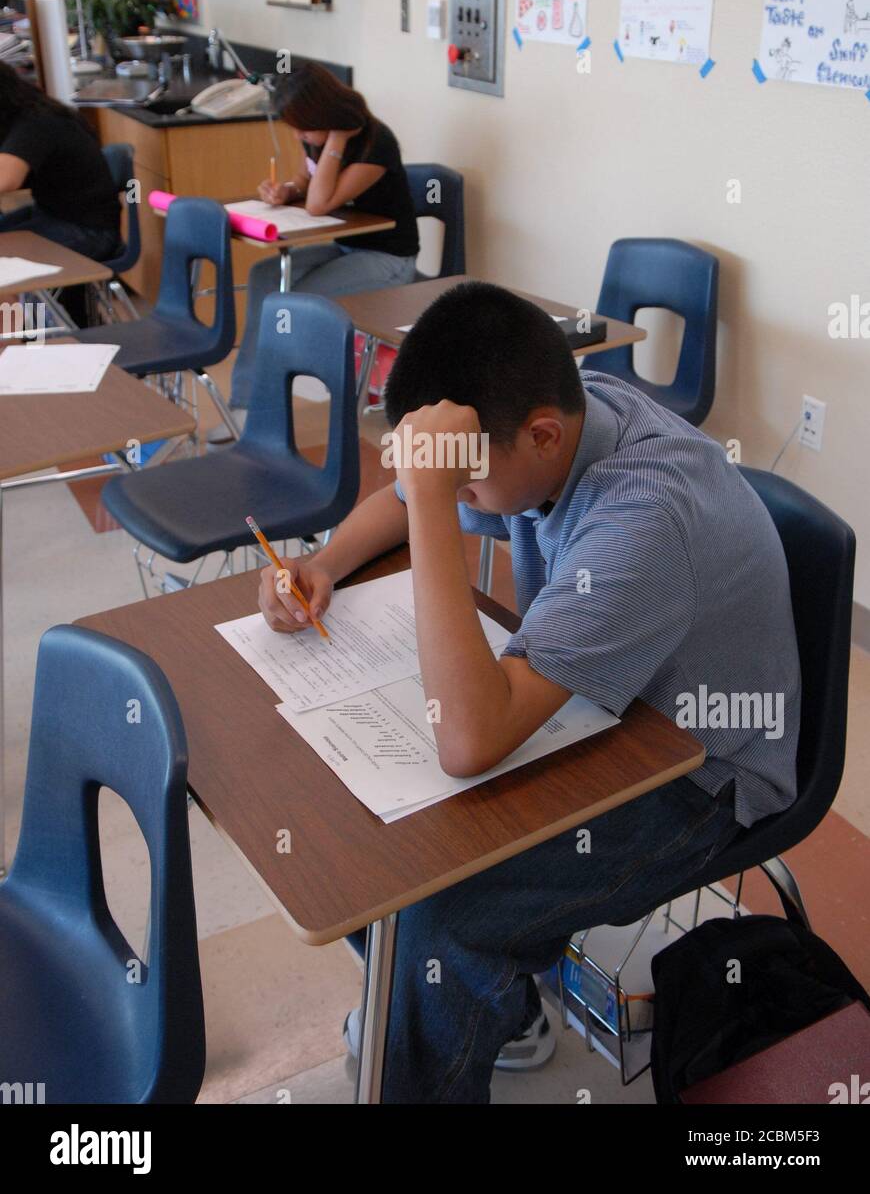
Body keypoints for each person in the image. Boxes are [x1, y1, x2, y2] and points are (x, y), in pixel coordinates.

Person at [257, 281, 801, 1104]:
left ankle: (455, 1012)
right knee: (372, 840)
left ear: (543, 436)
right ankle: (489, 1007)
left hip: (700, 772)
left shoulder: (644, 516)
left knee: (438, 912)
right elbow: (399, 505)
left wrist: (440, 495)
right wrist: (323, 566)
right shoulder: (555, 420)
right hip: (602, 709)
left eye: (468, 487)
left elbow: (467, 738)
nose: (462, 499)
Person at [221, 63, 420, 430]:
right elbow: (305, 182)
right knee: (265, 275)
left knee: (288, 302)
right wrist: (285, 191)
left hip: (389, 259)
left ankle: (264, 409)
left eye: (303, 127)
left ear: (327, 115)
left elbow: (319, 205)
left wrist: (336, 142)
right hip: (347, 249)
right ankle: (245, 404)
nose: (298, 135)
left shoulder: (377, 144)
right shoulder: (314, 137)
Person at [0, 63, 122, 316]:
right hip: (55, 215)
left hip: (90, 230)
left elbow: (5, 179)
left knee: (3, 259)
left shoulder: (37, 123)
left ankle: (17, 343)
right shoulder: (29, 112)